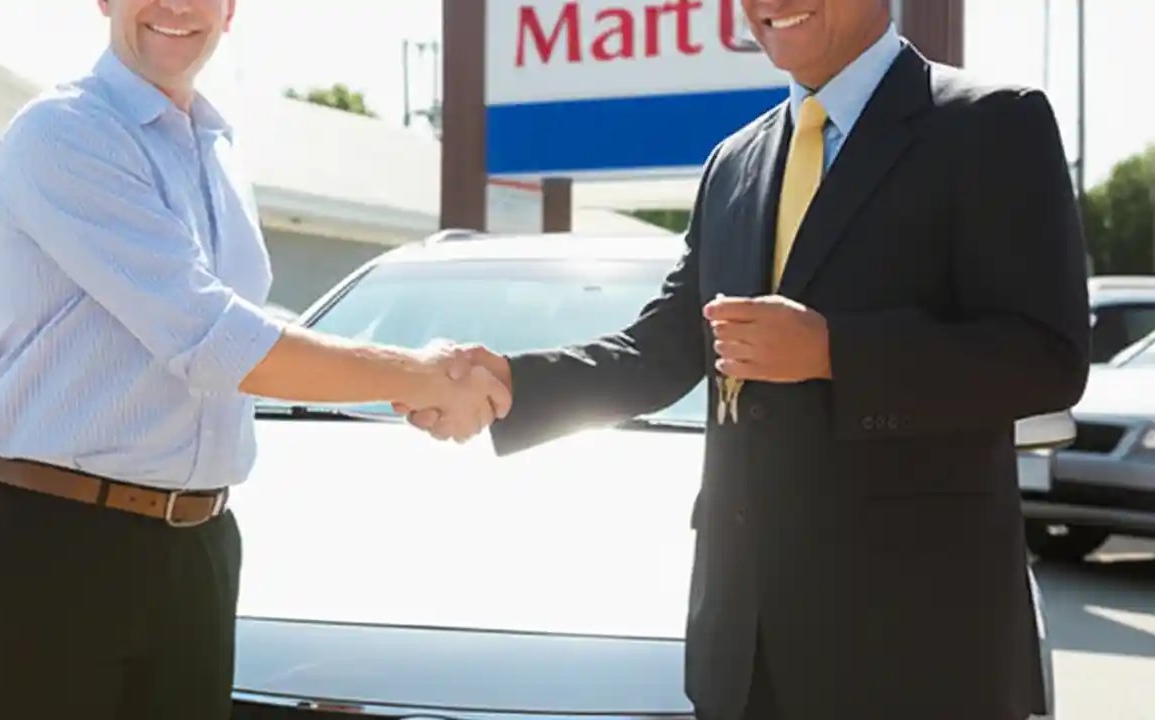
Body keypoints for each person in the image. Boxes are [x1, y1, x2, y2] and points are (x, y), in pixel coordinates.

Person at [401, 1, 1090, 718]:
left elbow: (1048, 355)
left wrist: (836, 352)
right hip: (742, 650)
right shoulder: (734, 161)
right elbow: (662, 349)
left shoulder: (991, 124)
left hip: (916, 650)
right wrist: (511, 383)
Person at [0, 1, 509, 718]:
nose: (176, 5)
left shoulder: (216, 149)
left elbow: (245, 332)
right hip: (63, 547)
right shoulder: (64, 132)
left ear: (230, 10)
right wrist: (422, 377)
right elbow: (214, 339)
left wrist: (416, 376)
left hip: (200, 547)